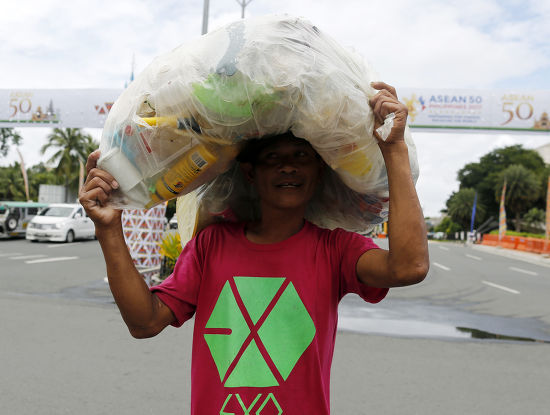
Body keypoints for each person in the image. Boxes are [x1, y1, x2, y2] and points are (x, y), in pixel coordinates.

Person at [79, 82, 429, 415]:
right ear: (249, 172)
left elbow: (409, 267)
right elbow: (145, 322)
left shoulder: (336, 249)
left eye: (301, 155)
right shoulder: (211, 245)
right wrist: (109, 229)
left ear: (319, 169)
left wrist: (393, 148)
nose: (288, 165)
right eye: (272, 157)